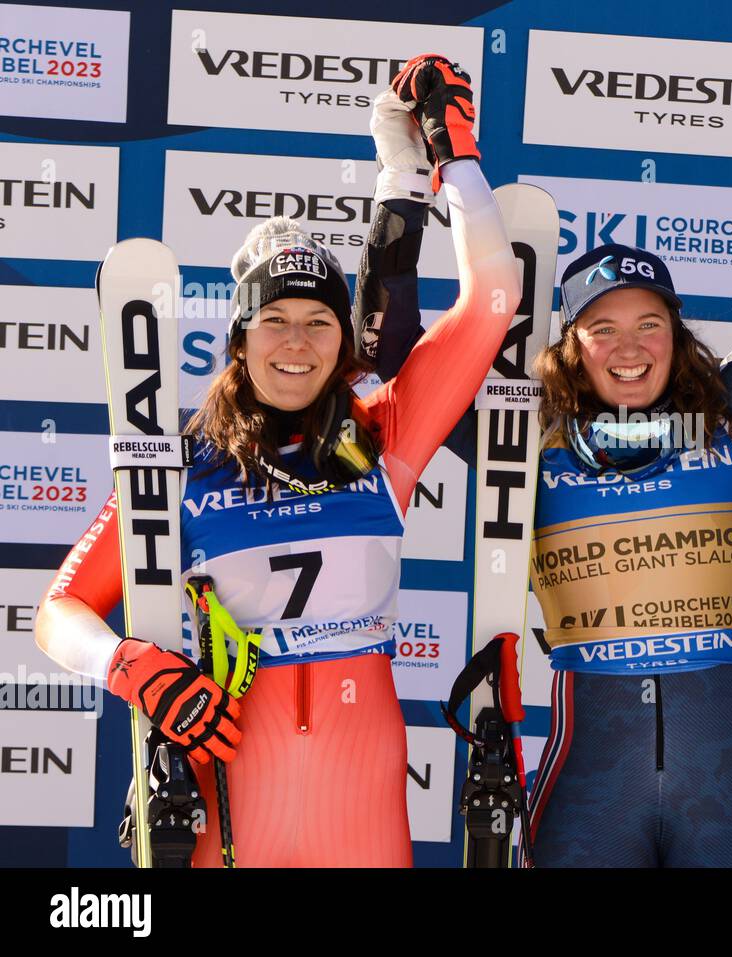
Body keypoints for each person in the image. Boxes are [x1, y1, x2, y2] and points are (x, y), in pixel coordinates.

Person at [33, 54, 520, 867]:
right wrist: (133, 666)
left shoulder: (384, 435)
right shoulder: (183, 463)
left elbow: (495, 293)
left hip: (359, 796)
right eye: (275, 321)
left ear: (342, 342)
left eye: (319, 323)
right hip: (232, 789)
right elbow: (58, 614)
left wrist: (451, 158)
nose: (296, 343)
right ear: (237, 340)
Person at [370, 199, 732, 865]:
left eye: (649, 324)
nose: (630, 347)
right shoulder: (526, 444)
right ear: (571, 347)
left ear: (676, 332)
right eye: (601, 329)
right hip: (595, 779)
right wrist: (404, 189)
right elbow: (395, 355)